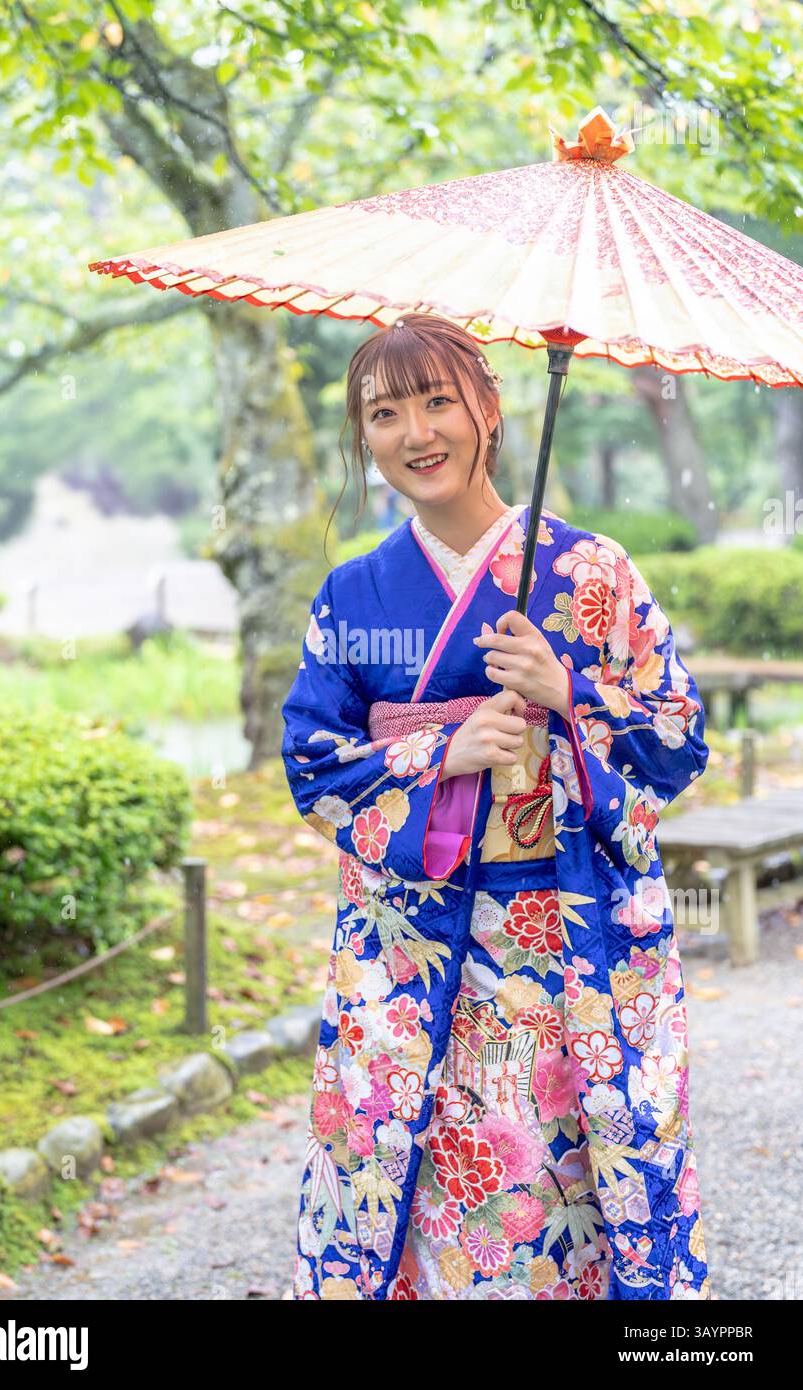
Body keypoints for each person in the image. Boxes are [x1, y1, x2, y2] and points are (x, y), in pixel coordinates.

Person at [280, 312, 711, 1301]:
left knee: (547, 1191)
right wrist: (444, 750)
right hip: (408, 951)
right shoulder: (352, 594)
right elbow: (311, 766)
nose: (414, 431)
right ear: (363, 436)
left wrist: (572, 693)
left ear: (489, 408)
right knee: (411, 1187)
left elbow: (678, 740)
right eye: (383, 412)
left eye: (437, 400)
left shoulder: (590, 573)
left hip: (557, 954)